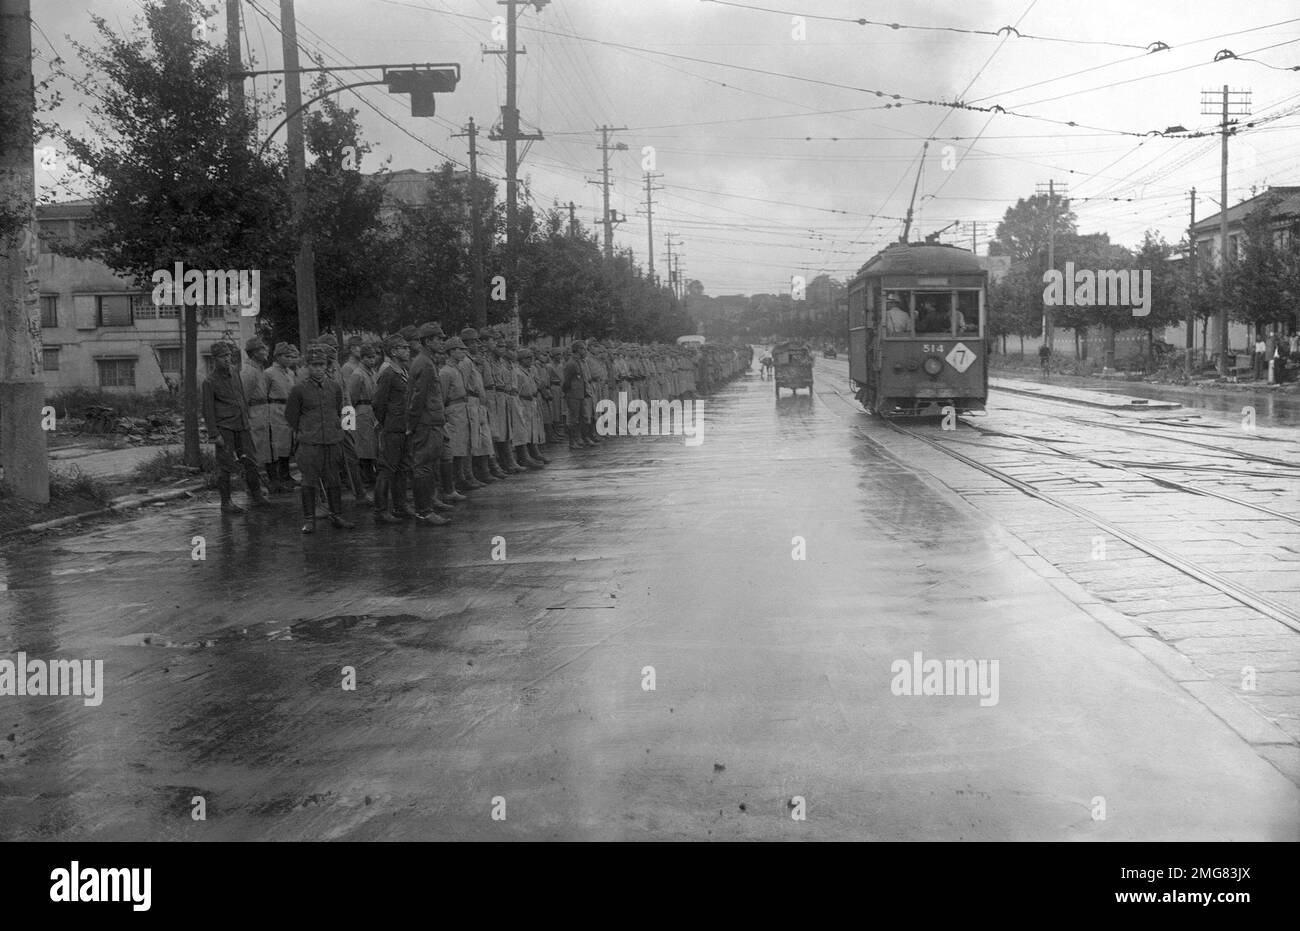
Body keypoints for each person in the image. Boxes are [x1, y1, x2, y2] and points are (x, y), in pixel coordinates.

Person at [286, 345, 354, 534]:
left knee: (333, 479)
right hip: (310, 443)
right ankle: (309, 519)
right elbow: (291, 416)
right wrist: (308, 430)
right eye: (313, 365)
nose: (318, 368)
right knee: (309, 480)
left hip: (332, 440)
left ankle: (337, 515)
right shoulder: (299, 390)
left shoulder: (334, 387)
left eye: (321, 364)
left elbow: (338, 408)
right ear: (307, 366)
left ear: (326, 366)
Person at [202, 340, 273, 514]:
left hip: (242, 425)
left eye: (228, 355)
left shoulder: (235, 373)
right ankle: (226, 503)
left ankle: (256, 495)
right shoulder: (209, 381)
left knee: (250, 460)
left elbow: (242, 397)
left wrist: (246, 421)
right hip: (224, 427)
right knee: (225, 466)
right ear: (214, 359)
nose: (226, 359)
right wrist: (214, 434)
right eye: (222, 357)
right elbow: (208, 409)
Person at [407, 323, 455, 523]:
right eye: (439, 339)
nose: (442, 343)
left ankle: (426, 507)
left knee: (427, 466)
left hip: (431, 421)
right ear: (428, 341)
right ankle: (424, 511)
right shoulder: (424, 363)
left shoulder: (426, 361)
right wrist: (412, 424)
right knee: (423, 467)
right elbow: (418, 397)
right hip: (426, 422)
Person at [372, 334, 417, 524]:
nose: (407, 350)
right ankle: (381, 510)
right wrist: (387, 423)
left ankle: (401, 505)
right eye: (403, 347)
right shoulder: (389, 373)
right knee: (387, 469)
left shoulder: (403, 371)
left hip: (403, 427)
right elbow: (378, 403)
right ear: (393, 352)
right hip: (392, 428)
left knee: (403, 467)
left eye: (407, 347)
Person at [241, 336, 277, 492]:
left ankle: (267, 484)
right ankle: (253, 488)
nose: (265, 351)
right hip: (254, 416)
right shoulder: (249, 372)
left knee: (264, 451)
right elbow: (244, 398)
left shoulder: (259, 370)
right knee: (254, 453)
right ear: (254, 353)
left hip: (263, 414)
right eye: (262, 349)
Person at [346, 341, 381, 489]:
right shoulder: (357, 374)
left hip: (371, 409)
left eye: (374, 357)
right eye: (368, 357)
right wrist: (349, 418)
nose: (372, 360)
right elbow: (351, 396)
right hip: (360, 409)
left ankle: (370, 473)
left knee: (372, 443)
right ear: (362, 358)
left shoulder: (372, 373)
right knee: (363, 444)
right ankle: (366, 475)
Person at [562, 340, 590, 449]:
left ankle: (580, 439)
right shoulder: (571, 363)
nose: (585, 351)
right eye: (583, 348)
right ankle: (572, 442)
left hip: (580, 394)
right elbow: (567, 381)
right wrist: (569, 393)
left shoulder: (579, 362)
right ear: (578, 350)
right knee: (573, 419)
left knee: (582, 417)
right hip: (573, 395)